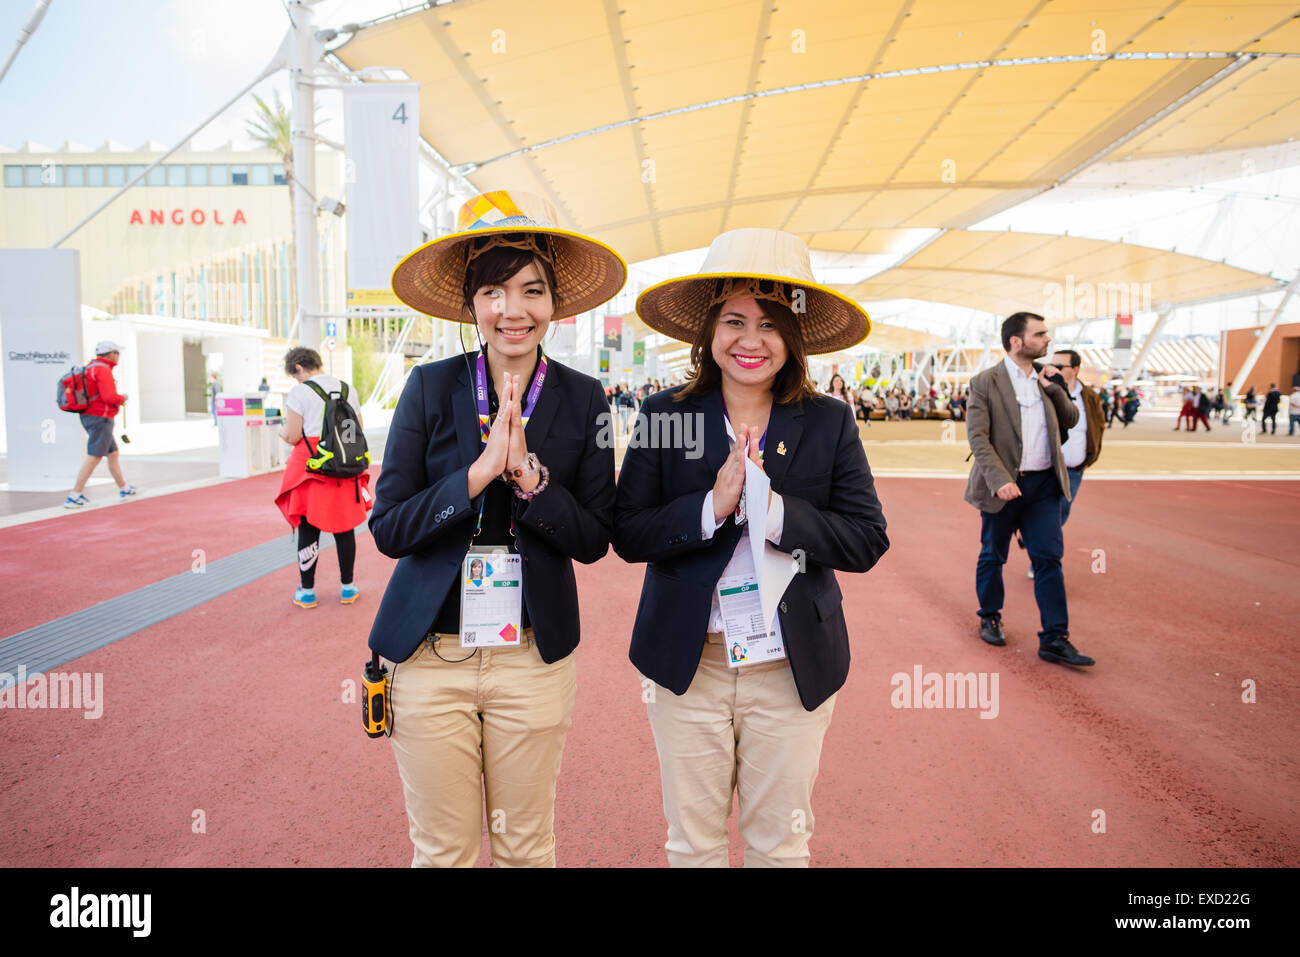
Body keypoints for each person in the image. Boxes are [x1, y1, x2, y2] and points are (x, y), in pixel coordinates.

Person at [615, 227, 889, 867]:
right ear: (709, 331)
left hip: (789, 668)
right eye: (734, 320)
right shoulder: (664, 413)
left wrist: (775, 514)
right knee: (693, 845)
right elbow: (627, 532)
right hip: (691, 664)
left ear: (791, 339)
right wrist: (711, 508)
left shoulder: (829, 420)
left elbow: (866, 537)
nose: (751, 340)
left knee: (781, 845)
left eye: (770, 325)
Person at [369, 189, 625, 867]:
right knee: (443, 852)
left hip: (531, 660)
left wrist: (532, 480)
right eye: (494, 292)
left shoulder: (584, 396)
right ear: (471, 304)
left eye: (531, 291)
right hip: (426, 659)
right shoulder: (428, 387)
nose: (513, 310)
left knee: (525, 847)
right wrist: (478, 474)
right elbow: (390, 527)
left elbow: (597, 535)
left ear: (555, 304)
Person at [965, 312, 1093, 667]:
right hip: (1003, 485)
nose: (1047, 339)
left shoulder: (1046, 380)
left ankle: (1054, 637)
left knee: (1048, 559)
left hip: (1044, 487)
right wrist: (1000, 479)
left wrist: (1055, 386)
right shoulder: (984, 382)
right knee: (994, 555)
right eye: (1040, 334)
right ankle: (989, 614)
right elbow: (978, 436)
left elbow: (1070, 419)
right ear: (1016, 342)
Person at [275, 347, 372, 608]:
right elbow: (358, 429)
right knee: (345, 527)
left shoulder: (299, 392)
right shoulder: (347, 388)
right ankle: (348, 587)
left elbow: (294, 435)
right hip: (344, 465)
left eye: (294, 375)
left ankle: (307, 591)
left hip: (312, 467)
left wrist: (282, 434)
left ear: (298, 368)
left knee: (308, 526)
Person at [64, 340, 137, 508]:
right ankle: (74, 495)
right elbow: (109, 397)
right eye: (117, 352)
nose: (118, 356)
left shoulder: (90, 367)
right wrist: (122, 398)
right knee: (95, 455)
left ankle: (124, 488)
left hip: (89, 415)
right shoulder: (103, 370)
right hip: (101, 417)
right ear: (110, 354)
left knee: (113, 454)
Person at [1050, 350, 1105, 527]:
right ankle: (1039, 537)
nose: (1054, 370)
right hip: (1047, 468)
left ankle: (1044, 538)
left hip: (1074, 469)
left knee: (1063, 510)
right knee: (1041, 509)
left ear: (1075, 369)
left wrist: (1091, 457)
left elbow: (1098, 426)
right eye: (1052, 365)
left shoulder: (1089, 396)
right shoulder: (1045, 391)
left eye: (1059, 366)